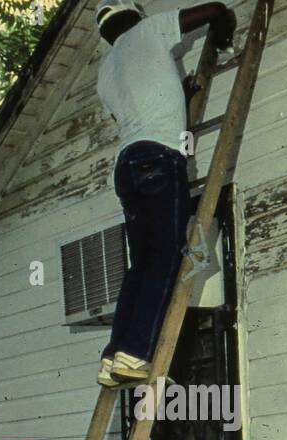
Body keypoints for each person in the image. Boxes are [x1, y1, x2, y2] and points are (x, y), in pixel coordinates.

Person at [93, 1, 236, 386]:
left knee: (141, 266)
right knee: (165, 259)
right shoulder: (150, 30)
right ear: (134, 16)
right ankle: (135, 354)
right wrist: (222, 39)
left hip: (127, 166)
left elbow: (137, 114)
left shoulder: (105, 73)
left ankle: (114, 357)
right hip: (159, 159)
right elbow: (217, 10)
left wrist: (180, 92)